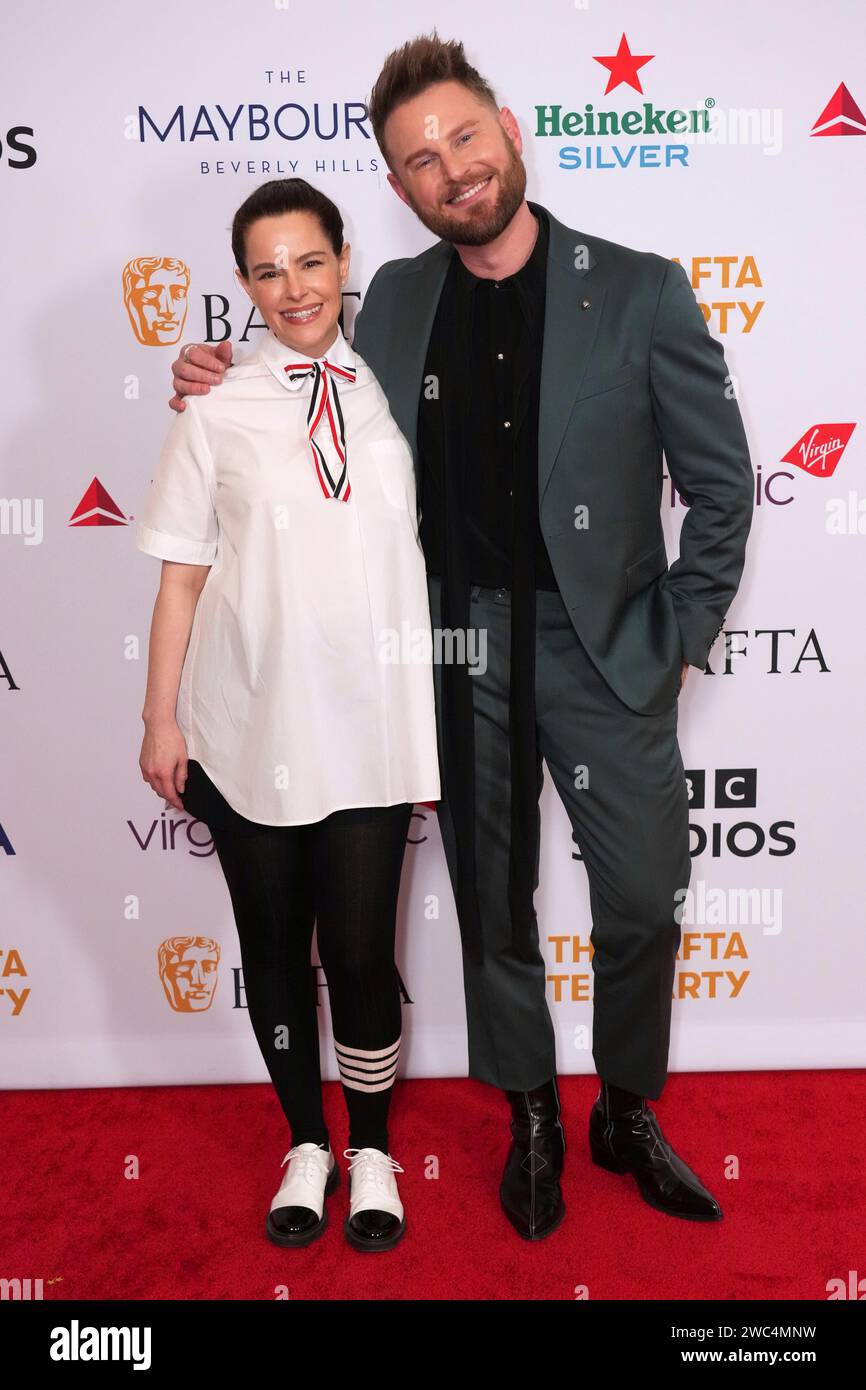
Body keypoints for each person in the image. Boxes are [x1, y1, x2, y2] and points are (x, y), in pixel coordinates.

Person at [167, 34, 755, 1241]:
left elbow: (721, 484)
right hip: (455, 652)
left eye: (462, 139)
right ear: (398, 190)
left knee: (643, 896)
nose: (451, 171)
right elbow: (298, 377)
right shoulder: (392, 308)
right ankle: (530, 1109)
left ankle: (626, 1106)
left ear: (506, 129)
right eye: (418, 161)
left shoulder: (638, 288)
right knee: (492, 902)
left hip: (604, 651)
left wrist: (680, 634)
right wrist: (213, 369)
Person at [137, 177, 441, 1252]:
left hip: (367, 730)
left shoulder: (402, 384)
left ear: (344, 257)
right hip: (241, 726)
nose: (292, 286)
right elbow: (179, 574)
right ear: (242, 285)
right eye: (266, 270)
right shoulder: (214, 404)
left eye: (308, 261)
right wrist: (158, 721)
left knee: (358, 953)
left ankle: (370, 1150)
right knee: (272, 950)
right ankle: (303, 1142)